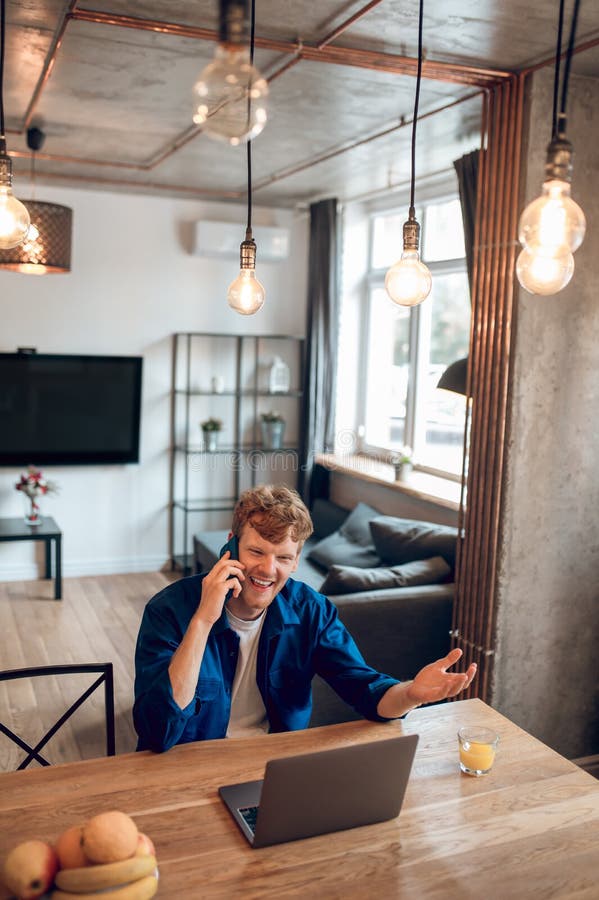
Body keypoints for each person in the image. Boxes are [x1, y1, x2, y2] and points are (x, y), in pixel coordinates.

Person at [134, 485, 476, 752]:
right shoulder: (169, 610)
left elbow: (366, 691)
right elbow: (158, 732)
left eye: (283, 557)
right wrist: (203, 621)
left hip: (273, 767)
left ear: (296, 561)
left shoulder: (312, 611)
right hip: (187, 767)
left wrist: (412, 694)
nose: (268, 570)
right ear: (231, 546)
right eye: (256, 552)